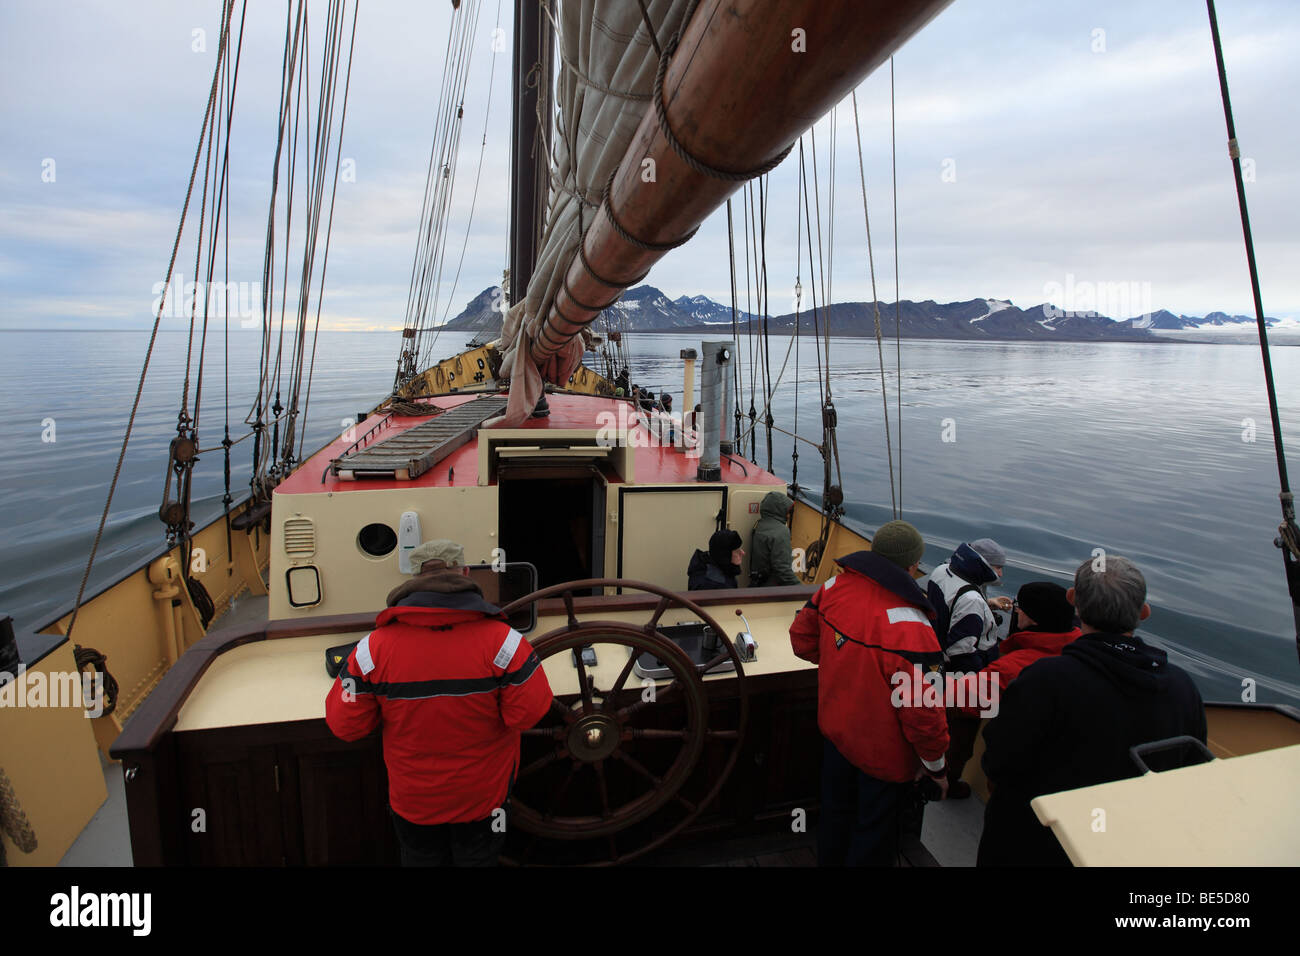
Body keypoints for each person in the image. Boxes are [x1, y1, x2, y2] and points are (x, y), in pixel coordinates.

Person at [325, 539, 552, 866]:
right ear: (465, 572)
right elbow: (527, 715)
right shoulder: (507, 643)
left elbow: (346, 726)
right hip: (483, 802)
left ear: (413, 578)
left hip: (413, 804)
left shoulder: (369, 651)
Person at [977, 556, 1206, 866]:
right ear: (1144, 613)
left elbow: (998, 761)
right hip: (1126, 849)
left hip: (1032, 846)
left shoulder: (1044, 680)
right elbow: (1192, 773)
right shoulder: (1183, 689)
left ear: (1074, 602)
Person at [790, 520, 950, 866]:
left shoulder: (832, 587)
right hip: (884, 757)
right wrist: (936, 766)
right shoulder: (913, 627)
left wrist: (841, 661)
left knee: (835, 817)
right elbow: (924, 713)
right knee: (874, 835)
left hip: (836, 736)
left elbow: (801, 641)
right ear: (912, 567)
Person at [944, 581, 1081, 799]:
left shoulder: (1011, 667)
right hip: (1064, 771)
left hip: (1015, 774)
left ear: (1032, 618)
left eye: (1020, 607)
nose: (1016, 610)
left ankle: (947, 777)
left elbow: (958, 700)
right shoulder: (1080, 651)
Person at [926, 538, 1012, 672]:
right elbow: (961, 653)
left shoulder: (941, 570)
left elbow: (950, 602)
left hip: (936, 645)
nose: (1001, 574)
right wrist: (978, 682)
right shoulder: (972, 600)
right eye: (998, 567)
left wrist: (988, 603)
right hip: (969, 672)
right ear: (984, 565)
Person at [749, 490, 800, 587]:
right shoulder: (781, 531)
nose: (788, 515)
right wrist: (801, 590)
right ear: (780, 510)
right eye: (788, 511)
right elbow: (783, 570)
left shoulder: (759, 524)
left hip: (757, 583)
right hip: (772, 587)